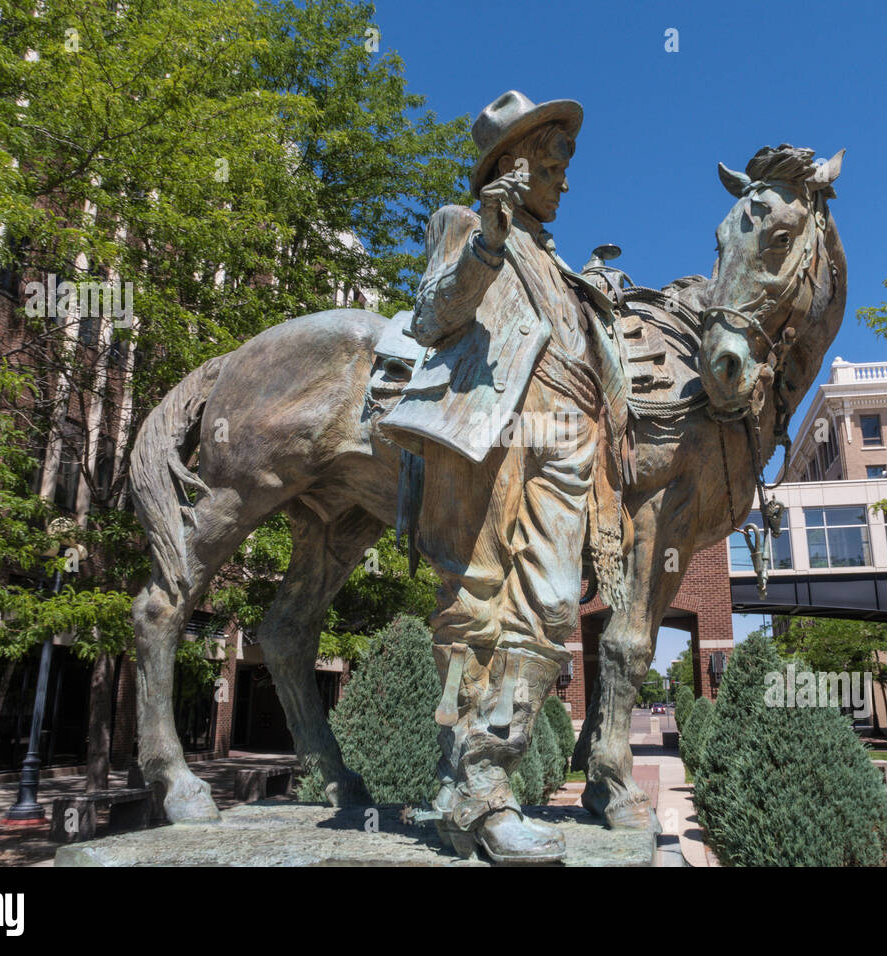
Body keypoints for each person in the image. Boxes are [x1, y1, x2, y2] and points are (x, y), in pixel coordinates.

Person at [379, 90, 630, 862]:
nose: (564, 179)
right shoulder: (463, 225)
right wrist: (486, 242)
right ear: (512, 171)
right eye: (552, 165)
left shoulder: (559, 262)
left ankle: (490, 769)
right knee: (472, 606)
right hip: (492, 432)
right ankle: (473, 789)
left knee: (551, 614)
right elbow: (429, 318)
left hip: (568, 438)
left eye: (564, 165)